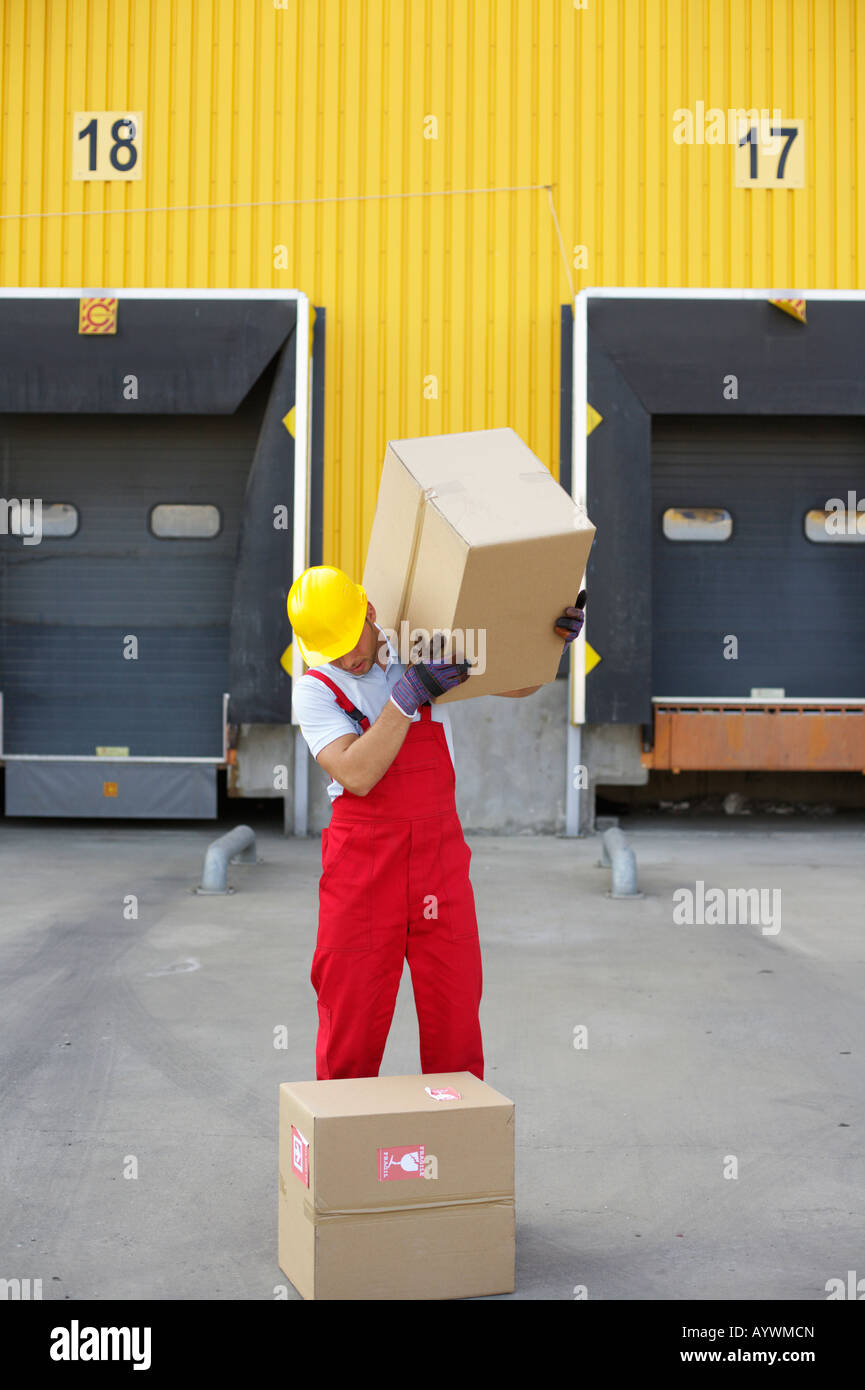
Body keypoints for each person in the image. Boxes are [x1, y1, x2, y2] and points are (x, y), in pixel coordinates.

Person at [288, 565, 586, 1082]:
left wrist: (551, 643)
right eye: (330, 649)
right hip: (362, 872)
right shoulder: (315, 691)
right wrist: (406, 698)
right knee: (349, 1022)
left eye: (350, 642)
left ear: (370, 613)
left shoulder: (419, 650)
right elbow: (356, 774)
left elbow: (517, 687)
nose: (346, 658)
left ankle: (457, 1144)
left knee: (455, 1013)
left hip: (437, 861)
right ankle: (343, 1146)